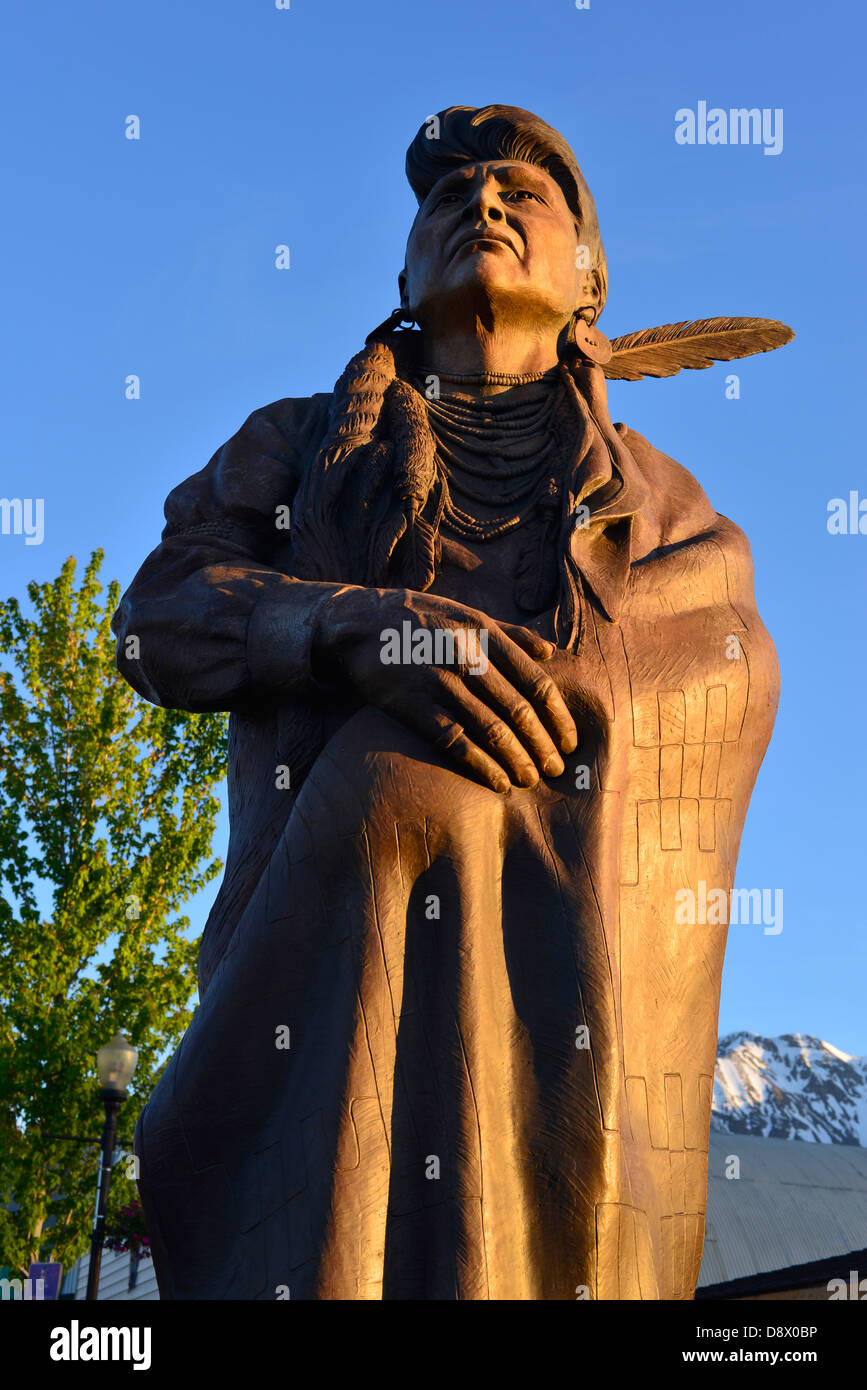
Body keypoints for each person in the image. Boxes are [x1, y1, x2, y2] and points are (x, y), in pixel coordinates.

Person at [113, 105, 779, 1300]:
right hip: (321, 992)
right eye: (447, 195)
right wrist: (345, 627)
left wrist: (517, 713)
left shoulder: (659, 504)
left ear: (589, 283)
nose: (481, 202)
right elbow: (155, 618)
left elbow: (723, 657)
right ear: (404, 276)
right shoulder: (305, 448)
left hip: (553, 1021)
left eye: (525, 193)